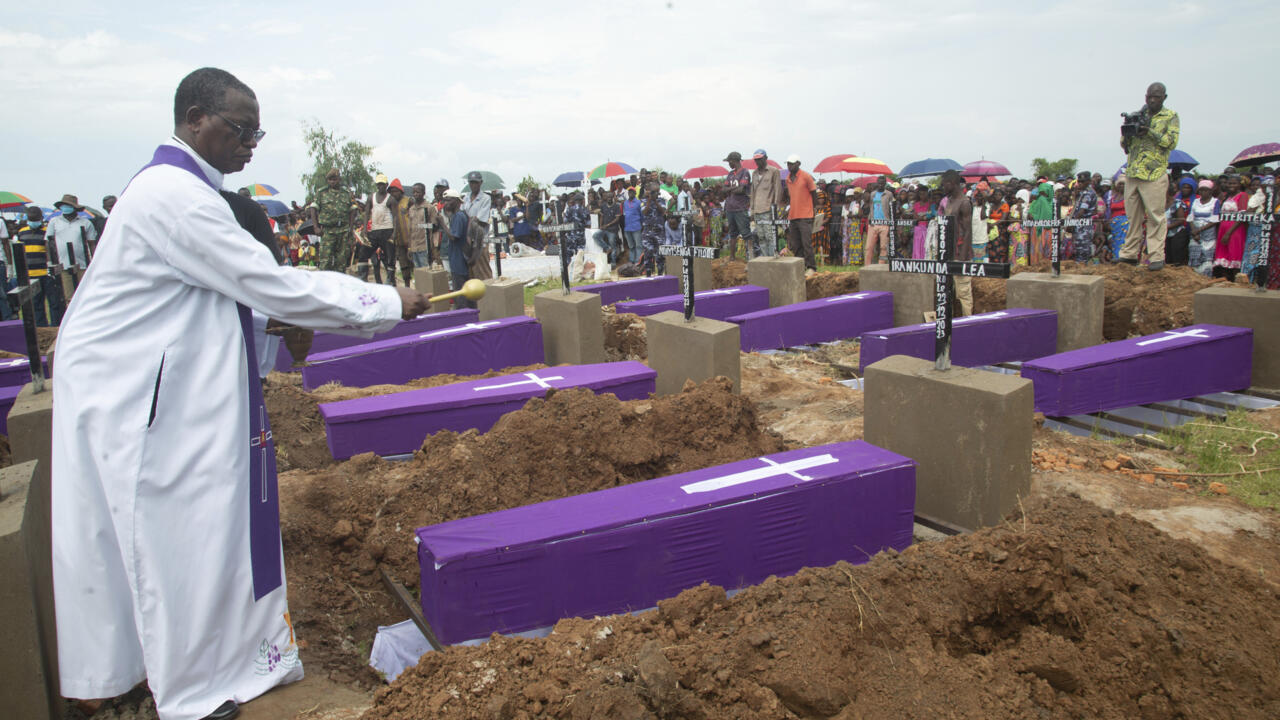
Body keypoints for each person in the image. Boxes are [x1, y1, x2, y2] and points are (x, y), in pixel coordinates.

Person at [50, 67, 429, 720]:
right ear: (195, 118)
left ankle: (206, 673)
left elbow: (215, 296)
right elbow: (267, 281)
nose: (251, 141)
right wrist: (385, 301)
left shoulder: (186, 192)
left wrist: (268, 317)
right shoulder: (173, 195)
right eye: (240, 127)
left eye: (258, 130)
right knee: (171, 549)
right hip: (137, 406)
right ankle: (192, 693)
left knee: (187, 545)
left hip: (152, 397)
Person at [1118, 82, 1179, 270]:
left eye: (1157, 97)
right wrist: (1128, 132)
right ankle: (1129, 254)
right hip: (1133, 172)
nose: (1152, 100)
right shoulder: (1138, 115)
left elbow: (1171, 142)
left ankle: (1156, 256)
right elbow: (1124, 145)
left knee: (1155, 216)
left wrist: (1150, 132)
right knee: (1133, 216)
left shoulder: (1170, 117)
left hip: (1154, 173)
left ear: (1164, 98)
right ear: (1145, 97)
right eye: (1150, 96)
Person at [14, 206, 65, 325]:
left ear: (41, 218)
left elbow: (51, 250)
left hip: (45, 273)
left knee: (54, 303)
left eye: (35, 219)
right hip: (31, 274)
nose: (33, 221)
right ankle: (42, 327)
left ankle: (55, 326)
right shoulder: (22, 232)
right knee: (36, 304)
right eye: (31, 219)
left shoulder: (47, 231)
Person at [939, 170, 974, 316]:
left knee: (963, 293)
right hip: (948, 252)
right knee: (947, 293)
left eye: (943, 185)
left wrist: (961, 259)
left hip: (960, 254)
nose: (942, 188)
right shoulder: (949, 201)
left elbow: (967, 232)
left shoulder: (964, 203)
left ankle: (969, 323)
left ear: (951, 183)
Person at [441, 188, 478, 308]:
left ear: (457, 201)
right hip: (460, 259)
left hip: (458, 261)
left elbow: (453, 237)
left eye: (448, 200)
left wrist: (442, 223)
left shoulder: (458, 217)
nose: (445, 203)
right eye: (444, 201)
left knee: (461, 293)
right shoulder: (460, 215)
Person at [784, 154, 818, 275]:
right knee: (796, 244)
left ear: (798, 163)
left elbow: (814, 194)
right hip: (793, 215)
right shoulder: (788, 178)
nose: (789, 166)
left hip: (805, 215)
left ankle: (811, 267)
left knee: (806, 242)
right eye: (788, 164)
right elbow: (791, 196)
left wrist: (814, 210)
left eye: (792, 163)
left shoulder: (806, 176)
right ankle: (800, 266)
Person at [314, 168, 353, 272]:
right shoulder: (321, 192)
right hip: (327, 231)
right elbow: (313, 208)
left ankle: (340, 284)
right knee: (325, 261)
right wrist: (316, 227)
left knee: (341, 261)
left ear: (339, 179)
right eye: (330, 179)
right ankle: (323, 285)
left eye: (334, 179)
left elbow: (353, 209)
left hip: (343, 230)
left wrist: (351, 228)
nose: (332, 182)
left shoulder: (346, 192)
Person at [46, 193, 99, 270]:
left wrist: (94, 262)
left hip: (82, 265)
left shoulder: (86, 222)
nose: (65, 207)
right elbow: (48, 243)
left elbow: (92, 244)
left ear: (75, 207)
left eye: (68, 205)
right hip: (61, 266)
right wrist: (51, 262)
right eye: (64, 205)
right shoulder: (54, 222)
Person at [748, 149, 784, 257]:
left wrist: (775, 207)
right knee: (761, 237)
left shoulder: (774, 171)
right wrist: (752, 210)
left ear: (765, 158)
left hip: (768, 209)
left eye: (760, 159)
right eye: (756, 160)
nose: (758, 162)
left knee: (770, 236)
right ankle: (765, 258)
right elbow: (753, 192)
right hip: (757, 209)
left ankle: (772, 258)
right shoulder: (754, 173)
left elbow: (778, 190)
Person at [1213, 175, 1249, 281]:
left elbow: (1242, 216)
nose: (1231, 185)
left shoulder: (1242, 195)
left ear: (1239, 184)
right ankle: (1226, 280)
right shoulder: (1227, 197)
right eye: (1229, 183)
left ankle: (1236, 281)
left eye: (1234, 183)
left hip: (1235, 230)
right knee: (1224, 256)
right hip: (1223, 229)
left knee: (1234, 254)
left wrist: (1229, 233)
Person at [361, 174, 393, 283]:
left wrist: (394, 233)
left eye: (382, 184)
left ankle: (391, 283)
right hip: (374, 231)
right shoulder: (371, 197)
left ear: (386, 185)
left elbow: (396, 217)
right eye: (379, 184)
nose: (380, 187)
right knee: (364, 253)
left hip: (387, 230)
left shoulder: (390, 199)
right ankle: (363, 280)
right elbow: (366, 213)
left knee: (390, 258)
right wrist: (365, 229)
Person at [461, 171, 492, 280]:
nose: (473, 185)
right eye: (471, 182)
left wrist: (468, 220)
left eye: (475, 182)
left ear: (480, 183)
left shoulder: (485, 198)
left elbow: (480, 220)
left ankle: (489, 294)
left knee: (483, 271)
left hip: (480, 240)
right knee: (471, 271)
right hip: (468, 240)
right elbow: (462, 216)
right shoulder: (465, 198)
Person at [721, 151, 751, 259]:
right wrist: (733, 188)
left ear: (734, 161)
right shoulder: (730, 174)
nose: (729, 163)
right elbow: (723, 190)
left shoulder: (745, 172)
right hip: (730, 208)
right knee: (732, 233)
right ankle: (732, 257)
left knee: (746, 233)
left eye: (729, 161)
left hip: (740, 207)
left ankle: (750, 257)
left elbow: (742, 189)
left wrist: (730, 189)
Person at [1188, 179, 1219, 275]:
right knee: (1194, 254)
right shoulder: (1196, 201)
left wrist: (1199, 230)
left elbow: (1214, 220)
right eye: (1201, 190)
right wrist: (1194, 231)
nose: (1203, 192)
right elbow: (1191, 217)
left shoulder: (1215, 202)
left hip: (1208, 233)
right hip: (1195, 232)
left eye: (1206, 190)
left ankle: (1206, 277)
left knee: (1207, 257)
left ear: (1210, 191)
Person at [407, 182, 438, 270]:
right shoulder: (411, 209)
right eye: (414, 192)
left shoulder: (429, 207)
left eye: (418, 192)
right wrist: (409, 248)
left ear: (423, 193)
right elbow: (410, 230)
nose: (415, 194)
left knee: (426, 272)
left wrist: (421, 226)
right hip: (414, 247)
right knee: (418, 274)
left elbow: (434, 226)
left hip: (425, 247)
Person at [1070, 172, 1100, 263]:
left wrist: (1071, 224)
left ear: (1089, 181)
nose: (1080, 183)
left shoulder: (1089, 193)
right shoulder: (1082, 192)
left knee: (1083, 248)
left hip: (1084, 224)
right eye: (1079, 181)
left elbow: (1081, 211)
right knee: (1078, 248)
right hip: (1079, 224)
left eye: (1083, 181)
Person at [865, 176, 894, 264]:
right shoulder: (873, 194)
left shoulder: (889, 194)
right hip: (873, 223)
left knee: (883, 247)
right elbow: (870, 207)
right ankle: (867, 265)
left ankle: (881, 265)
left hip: (885, 223)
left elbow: (891, 208)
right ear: (877, 183)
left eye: (882, 183)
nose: (880, 185)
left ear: (885, 184)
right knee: (869, 246)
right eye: (879, 183)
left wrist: (891, 223)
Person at [621, 187, 643, 264]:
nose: (630, 193)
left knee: (638, 245)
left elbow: (642, 215)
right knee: (631, 246)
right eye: (629, 192)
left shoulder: (638, 202)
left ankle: (638, 261)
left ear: (635, 193)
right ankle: (631, 260)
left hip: (636, 226)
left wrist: (642, 225)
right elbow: (623, 215)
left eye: (632, 192)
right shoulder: (625, 203)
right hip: (627, 228)